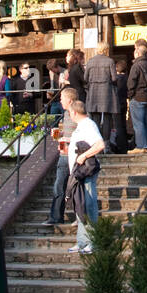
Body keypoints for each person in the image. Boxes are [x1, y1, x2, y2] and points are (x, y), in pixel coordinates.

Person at [64, 98, 106, 253]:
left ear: (74, 112)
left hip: (85, 172)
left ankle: (93, 241)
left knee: (88, 204)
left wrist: (83, 157)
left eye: (69, 112)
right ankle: (82, 241)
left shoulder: (88, 125)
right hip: (79, 173)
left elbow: (100, 144)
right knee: (81, 206)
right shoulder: (82, 127)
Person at [45, 86, 80, 224]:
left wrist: (68, 140)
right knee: (59, 186)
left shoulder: (79, 114)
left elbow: (82, 135)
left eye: (62, 98)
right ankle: (55, 217)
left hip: (75, 156)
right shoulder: (65, 114)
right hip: (64, 155)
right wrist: (59, 135)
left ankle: (80, 217)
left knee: (76, 187)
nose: (60, 101)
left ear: (70, 100)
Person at [126, 43, 147, 154]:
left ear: (137, 53)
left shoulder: (136, 66)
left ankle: (141, 146)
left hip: (138, 97)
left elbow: (131, 83)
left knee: (139, 123)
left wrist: (130, 96)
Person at [84, 42, 117, 147]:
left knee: (95, 117)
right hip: (106, 91)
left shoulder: (90, 61)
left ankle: (96, 143)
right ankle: (106, 144)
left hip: (93, 91)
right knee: (107, 117)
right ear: (106, 49)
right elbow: (114, 78)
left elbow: (85, 78)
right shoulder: (110, 61)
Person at [112, 57, 129, 154]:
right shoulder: (127, 78)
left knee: (118, 126)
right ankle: (125, 146)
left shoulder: (116, 80)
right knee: (123, 125)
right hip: (124, 103)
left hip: (116, 103)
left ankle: (120, 147)